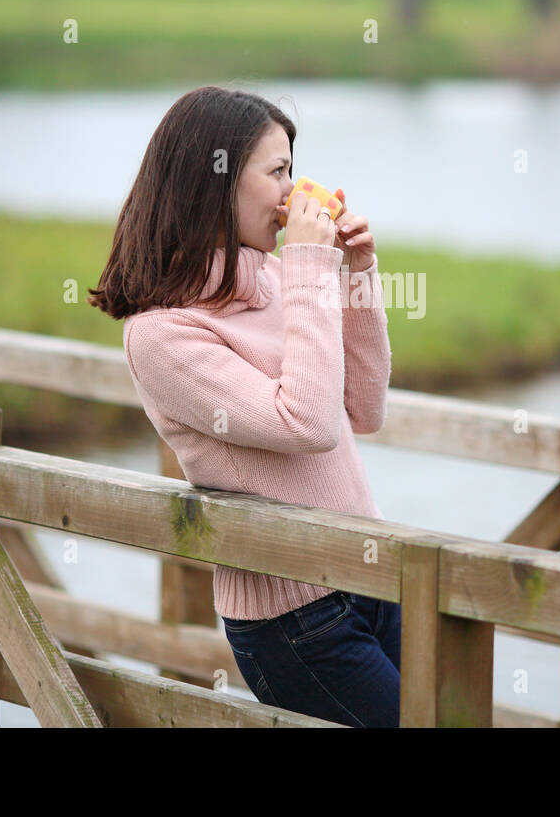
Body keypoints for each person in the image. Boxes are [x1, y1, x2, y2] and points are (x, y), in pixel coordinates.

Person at [88, 85, 400, 727]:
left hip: (373, 580)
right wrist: (313, 262)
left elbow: (362, 410)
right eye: (278, 171)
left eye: (293, 168)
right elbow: (306, 423)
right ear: (217, 181)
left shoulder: (283, 277)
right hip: (297, 621)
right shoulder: (163, 335)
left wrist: (357, 275)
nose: (294, 191)